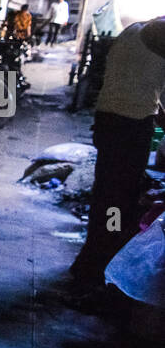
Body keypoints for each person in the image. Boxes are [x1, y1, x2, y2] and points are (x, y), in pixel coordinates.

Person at [69, 16, 165, 299]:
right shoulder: (159, 45)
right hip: (130, 130)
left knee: (105, 195)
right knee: (118, 202)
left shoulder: (132, 33)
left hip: (108, 123)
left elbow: (140, 88)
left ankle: (89, 262)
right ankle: (100, 266)